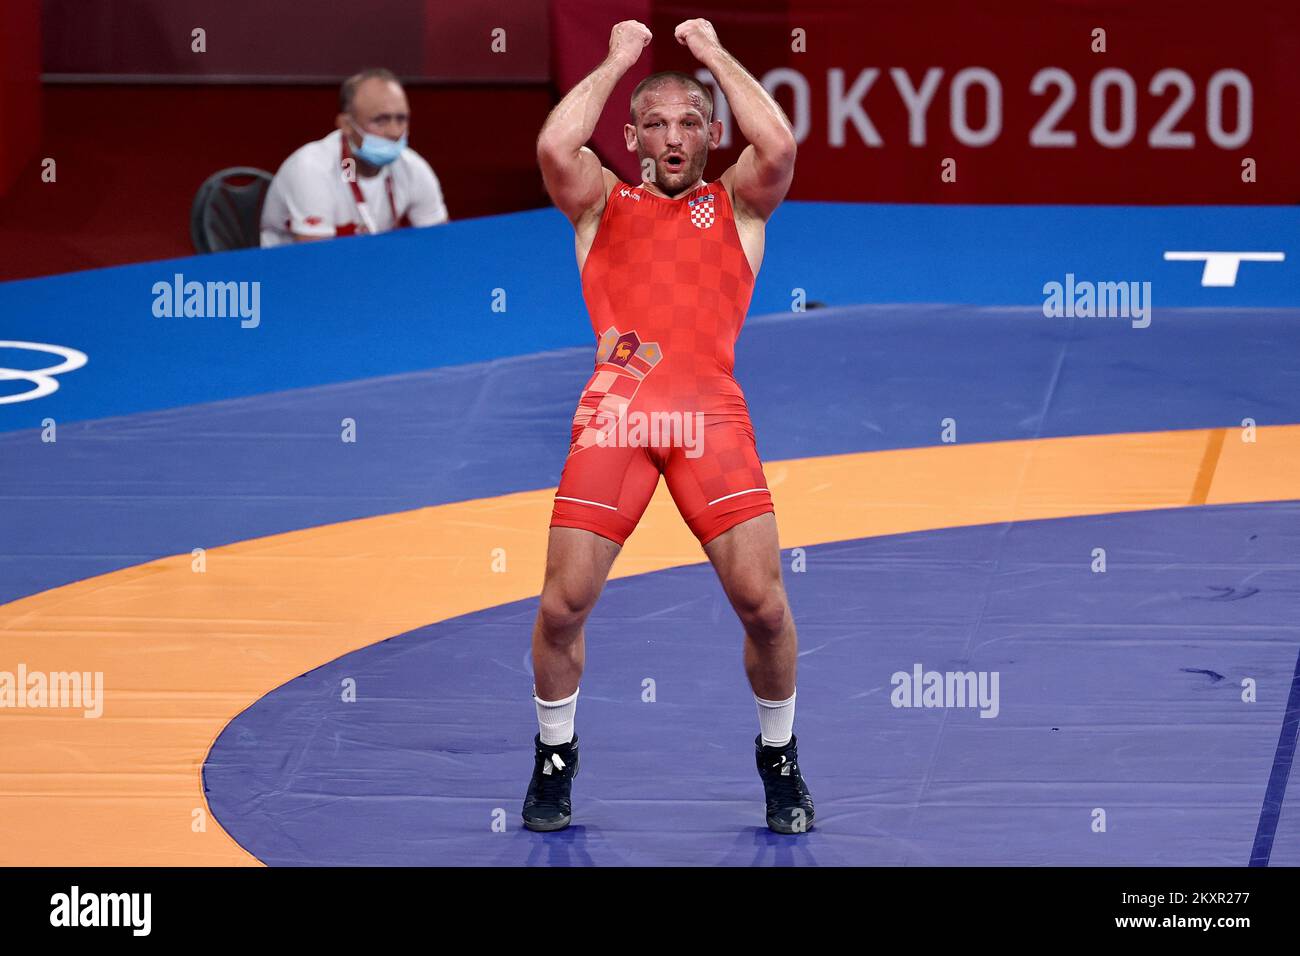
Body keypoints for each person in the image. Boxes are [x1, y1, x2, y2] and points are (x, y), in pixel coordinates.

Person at [525, 18, 813, 834]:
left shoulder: (739, 205)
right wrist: (619, 58)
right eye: (655, 123)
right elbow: (555, 147)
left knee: (763, 604)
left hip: (709, 418)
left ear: (713, 133)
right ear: (632, 135)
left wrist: (714, 56)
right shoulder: (598, 204)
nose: (674, 137)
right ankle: (554, 757)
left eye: (691, 122)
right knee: (561, 606)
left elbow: (781, 145)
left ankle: (780, 757)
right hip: (615, 418)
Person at [260, 68, 448, 246]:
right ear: (346, 124)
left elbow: (440, 242)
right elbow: (316, 261)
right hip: (287, 272)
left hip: (364, 267)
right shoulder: (311, 169)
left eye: (401, 119)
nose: (394, 131)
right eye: (380, 120)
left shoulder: (412, 167)